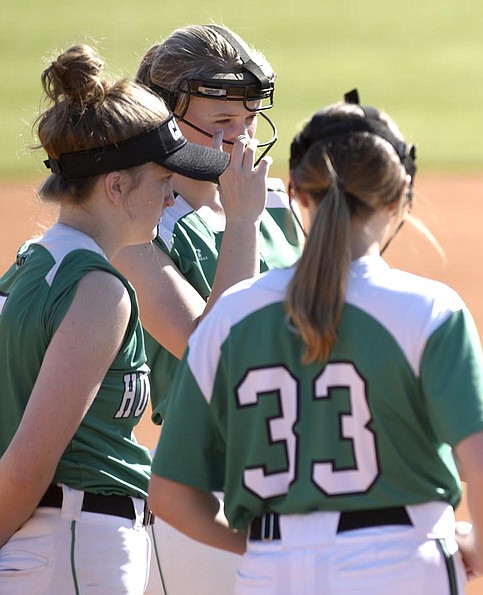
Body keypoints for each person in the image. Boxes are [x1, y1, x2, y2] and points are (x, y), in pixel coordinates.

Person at [147, 99, 483, 595]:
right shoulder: (428, 309)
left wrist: (268, 547)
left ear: (296, 191)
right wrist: (479, 552)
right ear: (399, 195)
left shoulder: (231, 315)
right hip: (400, 564)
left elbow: (170, 494)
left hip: (271, 574)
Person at [0, 44, 228, 594]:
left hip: (53, 547)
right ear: (116, 185)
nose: (171, 191)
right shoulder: (99, 290)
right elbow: (28, 465)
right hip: (71, 551)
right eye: (160, 179)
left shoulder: (32, 267)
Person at [111, 24, 304, 595]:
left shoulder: (274, 206)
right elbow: (213, 349)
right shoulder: (138, 229)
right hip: (210, 483)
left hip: (306, 469)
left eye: (248, 122)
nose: (241, 141)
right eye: (222, 124)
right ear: (162, 116)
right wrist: (240, 222)